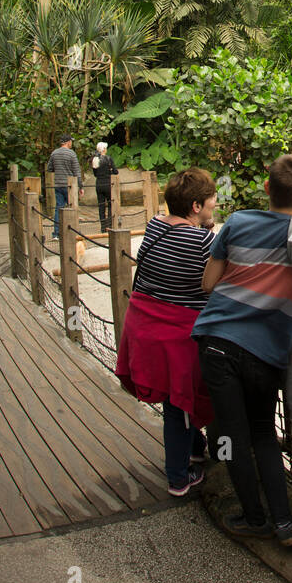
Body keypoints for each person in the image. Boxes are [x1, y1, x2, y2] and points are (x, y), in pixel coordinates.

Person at [194, 153, 292, 546]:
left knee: (232, 438)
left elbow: (209, 284)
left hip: (218, 344)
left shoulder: (238, 222)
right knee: (262, 435)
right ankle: (286, 523)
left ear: (266, 187)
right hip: (265, 355)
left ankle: (253, 518)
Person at [115, 168, 217, 496]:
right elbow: (212, 284)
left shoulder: (155, 225)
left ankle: (196, 446)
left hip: (142, 326)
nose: (216, 202)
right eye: (212, 199)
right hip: (174, 336)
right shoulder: (204, 242)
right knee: (180, 403)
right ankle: (178, 476)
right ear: (197, 206)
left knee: (177, 403)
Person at [47, 134, 84, 241]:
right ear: (67, 142)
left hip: (58, 184)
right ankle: (73, 230)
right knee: (72, 207)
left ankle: (56, 233)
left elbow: (49, 168)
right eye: (71, 141)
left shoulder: (54, 153)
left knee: (59, 208)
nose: (71, 143)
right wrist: (80, 186)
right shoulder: (71, 154)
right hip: (70, 185)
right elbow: (77, 171)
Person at [91, 141, 118, 233]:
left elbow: (95, 173)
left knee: (101, 205)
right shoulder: (108, 159)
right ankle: (110, 225)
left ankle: (103, 227)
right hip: (108, 183)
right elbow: (115, 171)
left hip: (99, 183)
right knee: (111, 203)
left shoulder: (95, 160)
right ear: (104, 149)